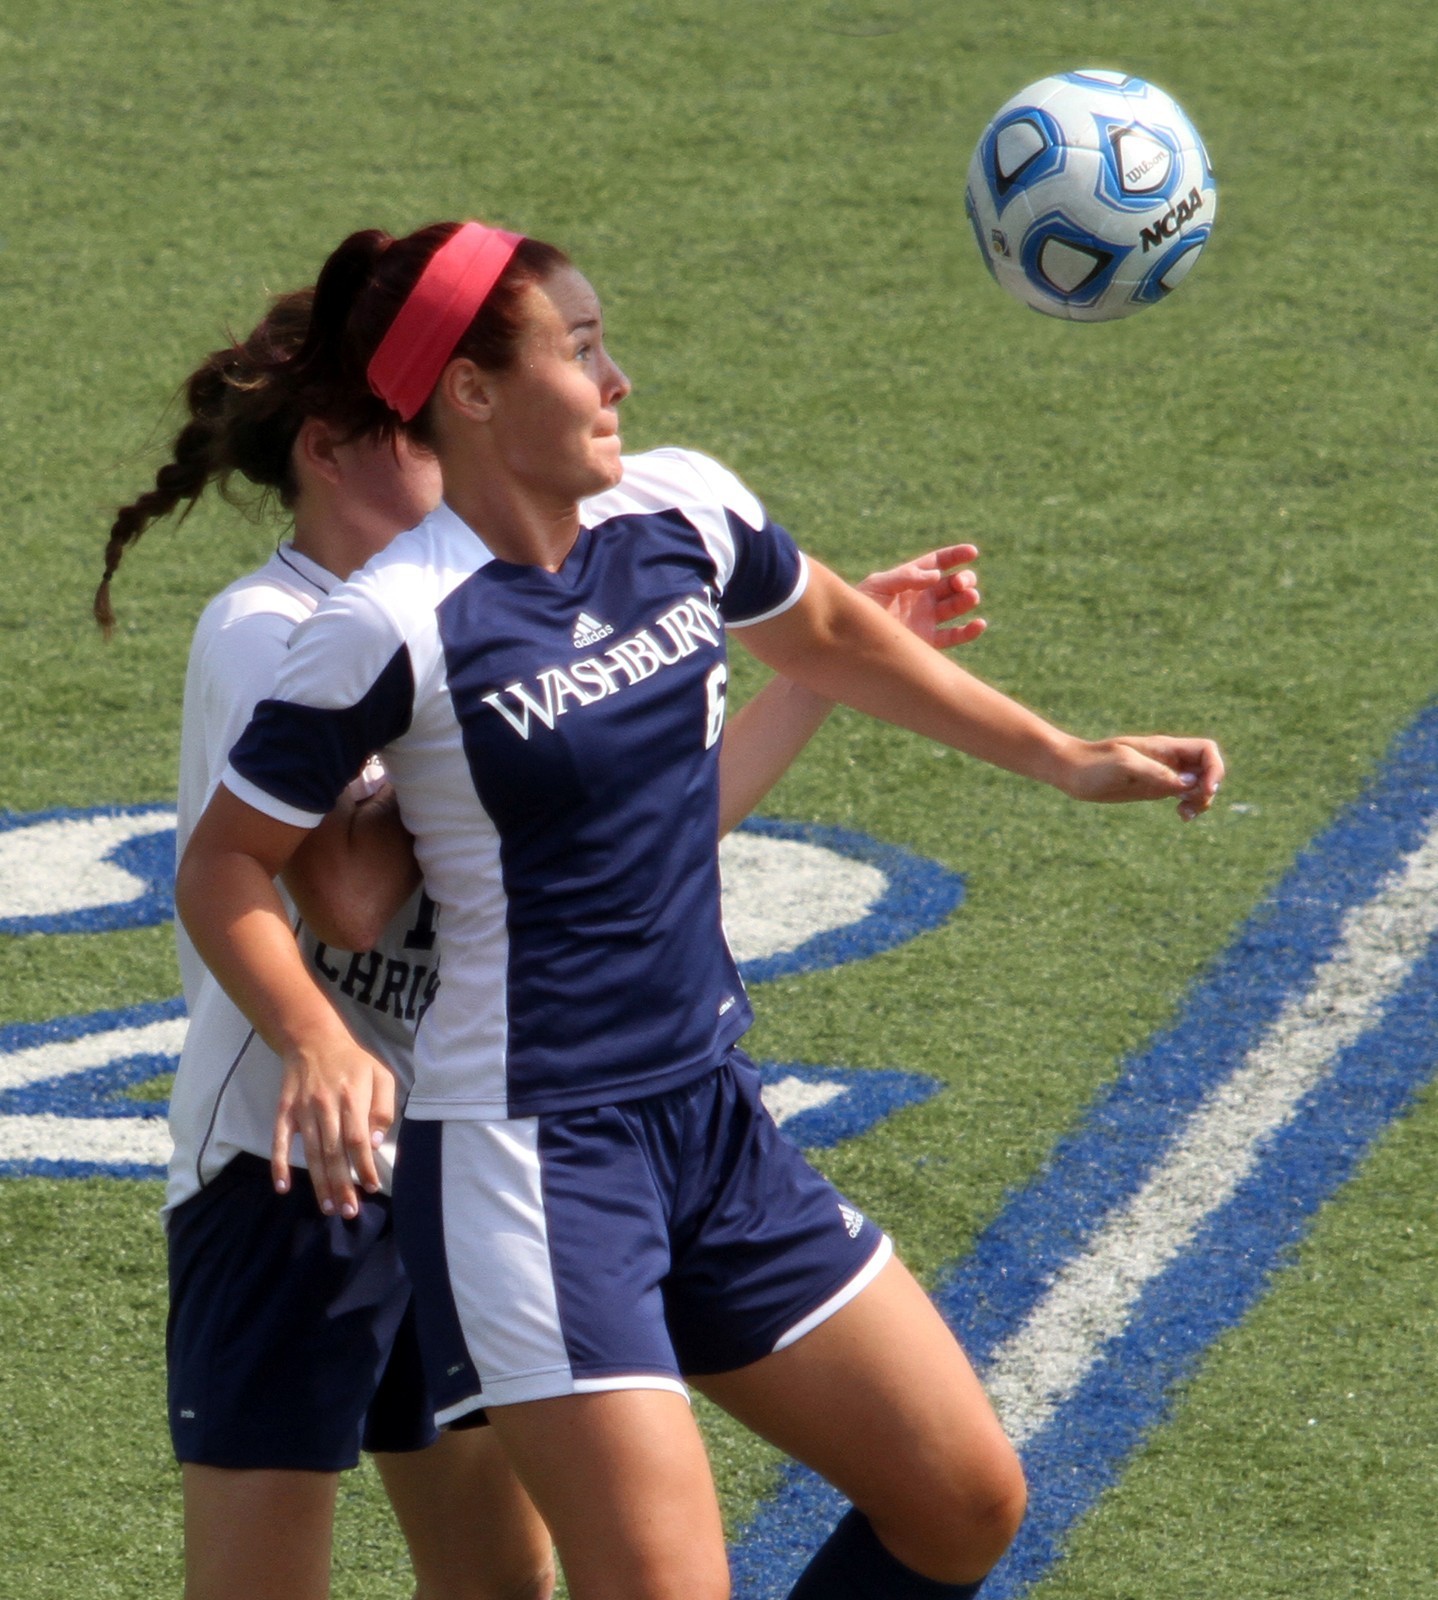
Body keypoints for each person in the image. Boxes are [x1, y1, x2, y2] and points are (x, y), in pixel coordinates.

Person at [174, 220, 1224, 1600]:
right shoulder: (387, 623)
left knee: (963, 1500)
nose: (620, 383)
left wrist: (1062, 753)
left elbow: (834, 635)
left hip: (712, 1118)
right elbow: (225, 867)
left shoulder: (681, 509)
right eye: (585, 348)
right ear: (474, 393)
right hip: (534, 1155)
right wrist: (311, 1037)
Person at [96, 280, 986, 1600]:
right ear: (330, 450)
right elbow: (343, 898)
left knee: (500, 1583)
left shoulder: (477, 614)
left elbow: (650, 830)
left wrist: (809, 670)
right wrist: (491, 736)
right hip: (286, 1180)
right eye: (417, 429)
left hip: (471, 1151)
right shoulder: (273, 630)